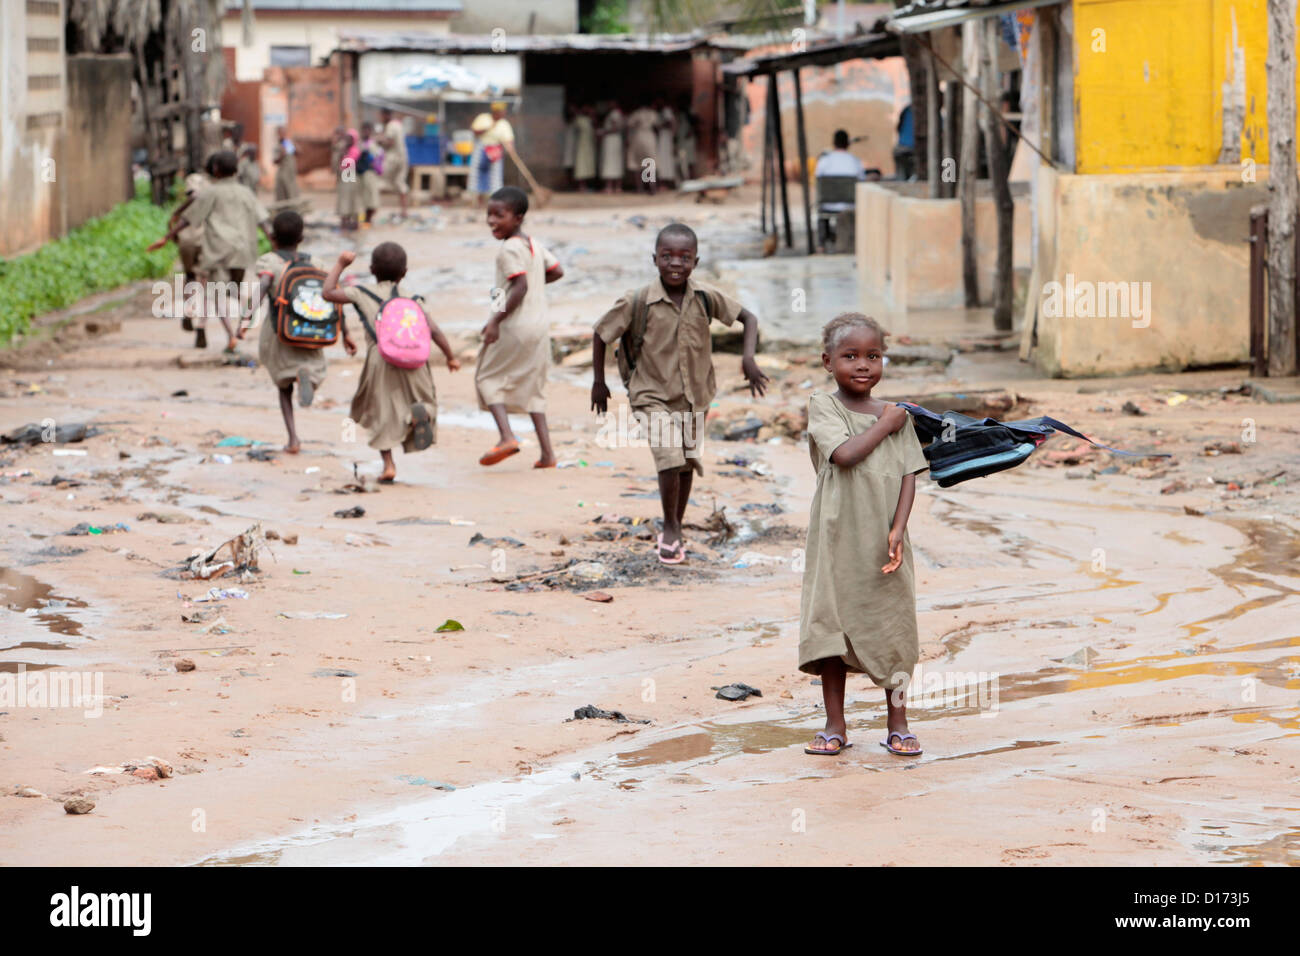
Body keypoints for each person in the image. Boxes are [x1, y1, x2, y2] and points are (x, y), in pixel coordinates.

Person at [591, 223, 768, 565]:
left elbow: (749, 318)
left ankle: (678, 524)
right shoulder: (637, 300)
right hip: (650, 393)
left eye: (684, 257)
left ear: (696, 261)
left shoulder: (704, 297)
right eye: (667, 256)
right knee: (670, 457)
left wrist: (748, 358)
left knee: (686, 462)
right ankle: (670, 527)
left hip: (695, 396)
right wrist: (599, 382)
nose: (675, 263)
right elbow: (601, 333)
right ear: (654, 259)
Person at [799, 313, 929, 757]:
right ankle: (835, 724)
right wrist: (886, 425)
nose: (862, 365)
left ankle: (898, 723)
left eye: (873, 356)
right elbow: (845, 454)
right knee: (831, 626)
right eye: (850, 355)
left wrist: (898, 528)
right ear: (827, 361)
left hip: (884, 540)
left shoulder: (896, 416)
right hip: (835, 538)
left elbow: (911, 473)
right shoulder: (825, 406)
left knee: (893, 627)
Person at [321, 242, 460, 484]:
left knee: (381, 412)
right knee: (421, 399)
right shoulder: (414, 298)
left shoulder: (361, 293)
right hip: (415, 360)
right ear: (405, 272)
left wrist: (341, 264)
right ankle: (421, 415)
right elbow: (434, 330)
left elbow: (328, 293)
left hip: (381, 361)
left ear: (372, 269)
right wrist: (450, 356)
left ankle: (388, 464)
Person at [475, 186, 564, 469]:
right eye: (489, 214)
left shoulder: (509, 249)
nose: (491, 221)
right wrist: (535, 282)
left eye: (499, 215)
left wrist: (494, 321)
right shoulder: (533, 245)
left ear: (518, 217)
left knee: (486, 377)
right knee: (534, 389)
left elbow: (520, 286)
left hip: (514, 325)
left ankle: (506, 436)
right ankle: (548, 455)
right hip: (539, 327)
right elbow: (557, 271)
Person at [246, 210, 349, 454]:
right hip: (311, 330)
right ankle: (310, 382)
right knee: (312, 368)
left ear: (272, 237)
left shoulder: (270, 262)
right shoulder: (318, 264)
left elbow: (262, 286)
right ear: (302, 237)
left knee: (284, 387)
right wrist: (346, 334)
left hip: (279, 332)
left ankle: (293, 439)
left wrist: (247, 317)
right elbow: (334, 297)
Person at [150, 149, 270, 351]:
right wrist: (276, 243)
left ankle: (231, 335)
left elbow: (188, 218)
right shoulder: (246, 193)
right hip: (242, 249)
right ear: (236, 169)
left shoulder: (211, 192)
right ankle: (245, 315)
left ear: (215, 169)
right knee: (237, 289)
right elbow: (264, 221)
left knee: (216, 293)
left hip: (218, 248)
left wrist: (166, 237)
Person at [378, 108, 409, 219]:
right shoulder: (398, 125)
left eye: (381, 116)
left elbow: (390, 142)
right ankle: (404, 212)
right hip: (403, 157)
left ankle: (371, 210)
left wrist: (379, 142)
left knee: (378, 180)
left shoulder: (390, 126)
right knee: (400, 183)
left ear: (386, 115)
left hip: (393, 157)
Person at [625, 100, 659, 194]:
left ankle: (640, 188)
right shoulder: (653, 113)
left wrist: (627, 139)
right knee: (650, 162)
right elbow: (657, 126)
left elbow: (629, 125)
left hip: (639, 137)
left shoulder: (637, 113)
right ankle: (652, 187)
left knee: (637, 163)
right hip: (650, 138)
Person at [469, 113, 500, 206]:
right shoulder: (483, 119)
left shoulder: (503, 124)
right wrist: (489, 128)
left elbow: (508, 139)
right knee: (477, 175)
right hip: (481, 149)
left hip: (495, 151)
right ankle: (476, 201)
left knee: (494, 177)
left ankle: (494, 201)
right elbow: (475, 131)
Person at [358, 122, 383, 228]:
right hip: (361, 175)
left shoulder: (372, 145)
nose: (365, 132)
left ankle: (368, 220)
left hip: (370, 174)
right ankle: (364, 220)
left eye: (367, 130)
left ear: (370, 131)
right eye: (363, 130)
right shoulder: (359, 144)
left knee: (371, 198)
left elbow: (378, 158)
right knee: (363, 198)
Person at [337, 128, 361, 232]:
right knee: (344, 201)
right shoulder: (344, 150)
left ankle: (353, 223)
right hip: (345, 177)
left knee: (352, 201)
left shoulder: (355, 150)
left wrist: (344, 153)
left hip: (351, 178)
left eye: (350, 138)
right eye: (347, 138)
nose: (348, 140)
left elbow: (348, 163)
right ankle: (344, 223)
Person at [598, 102, 625, 194]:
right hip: (614, 140)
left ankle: (610, 187)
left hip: (612, 140)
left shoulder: (615, 113)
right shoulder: (616, 113)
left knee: (610, 162)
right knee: (614, 162)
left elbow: (615, 128)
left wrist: (603, 132)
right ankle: (617, 187)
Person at [572, 103, 597, 190]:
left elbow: (595, 125)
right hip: (581, 145)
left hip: (589, 145)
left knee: (588, 165)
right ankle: (581, 186)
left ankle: (586, 185)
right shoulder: (579, 119)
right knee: (581, 164)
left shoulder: (590, 119)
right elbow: (575, 127)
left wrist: (592, 114)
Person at [654, 97, 677, 189]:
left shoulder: (666, 110)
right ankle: (662, 183)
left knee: (664, 159)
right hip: (663, 138)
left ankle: (664, 183)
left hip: (665, 138)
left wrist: (659, 126)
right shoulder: (661, 111)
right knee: (661, 159)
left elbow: (670, 123)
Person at [273, 126, 300, 201]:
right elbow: (274, 161)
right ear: (278, 134)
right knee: (282, 195)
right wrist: (281, 155)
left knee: (292, 193)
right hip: (282, 174)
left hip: (290, 173)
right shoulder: (277, 146)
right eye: (281, 133)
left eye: (284, 132)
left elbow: (297, 153)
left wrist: (295, 146)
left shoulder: (288, 143)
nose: (283, 134)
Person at [675, 97, 697, 182]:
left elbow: (694, 122)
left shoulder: (690, 111)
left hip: (688, 140)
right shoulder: (679, 113)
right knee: (682, 160)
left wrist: (690, 131)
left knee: (690, 160)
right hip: (681, 139)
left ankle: (691, 179)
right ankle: (685, 180)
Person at [894, 103, 916, 180]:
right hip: (912, 150)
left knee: (901, 178)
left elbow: (898, 128)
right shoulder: (933, 113)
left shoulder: (907, 109)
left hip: (901, 148)